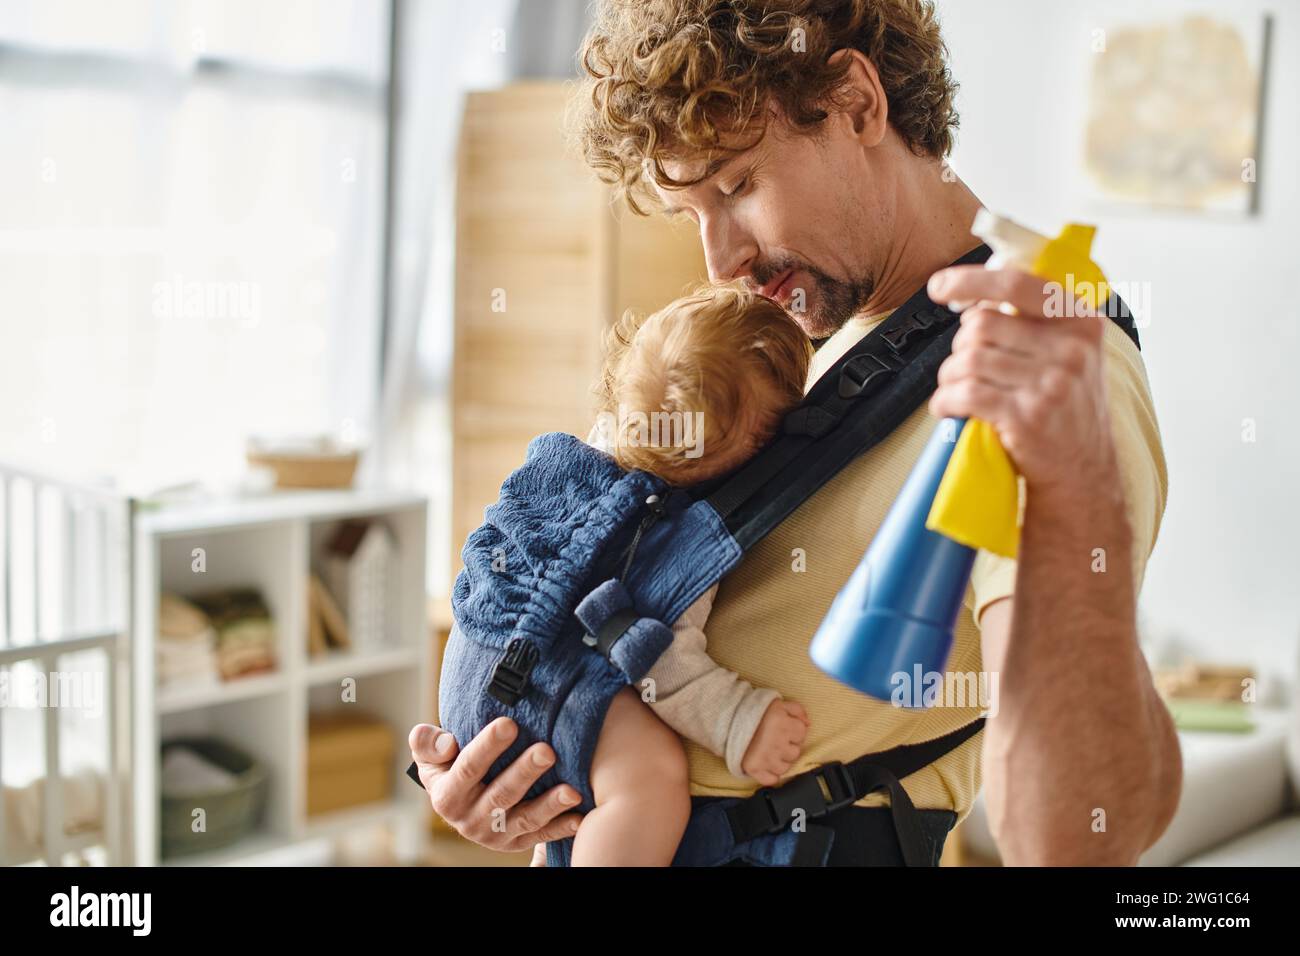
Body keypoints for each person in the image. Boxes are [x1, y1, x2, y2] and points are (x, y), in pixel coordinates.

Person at [411, 0, 1182, 866]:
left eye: (737, 186)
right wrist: (512, 762)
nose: (718, 262)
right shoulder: (803, 341)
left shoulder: (1039, 365)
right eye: (689, 212)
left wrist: (1075, 492)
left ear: (856, 102)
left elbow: (1075, 835)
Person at [439, 287, 814, 865]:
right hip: (551, 687)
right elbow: (660, 659)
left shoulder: (570, 459)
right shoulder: (678, 533)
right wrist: (740, 721)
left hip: (464, 678)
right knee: (649, 783)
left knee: (573, 818)